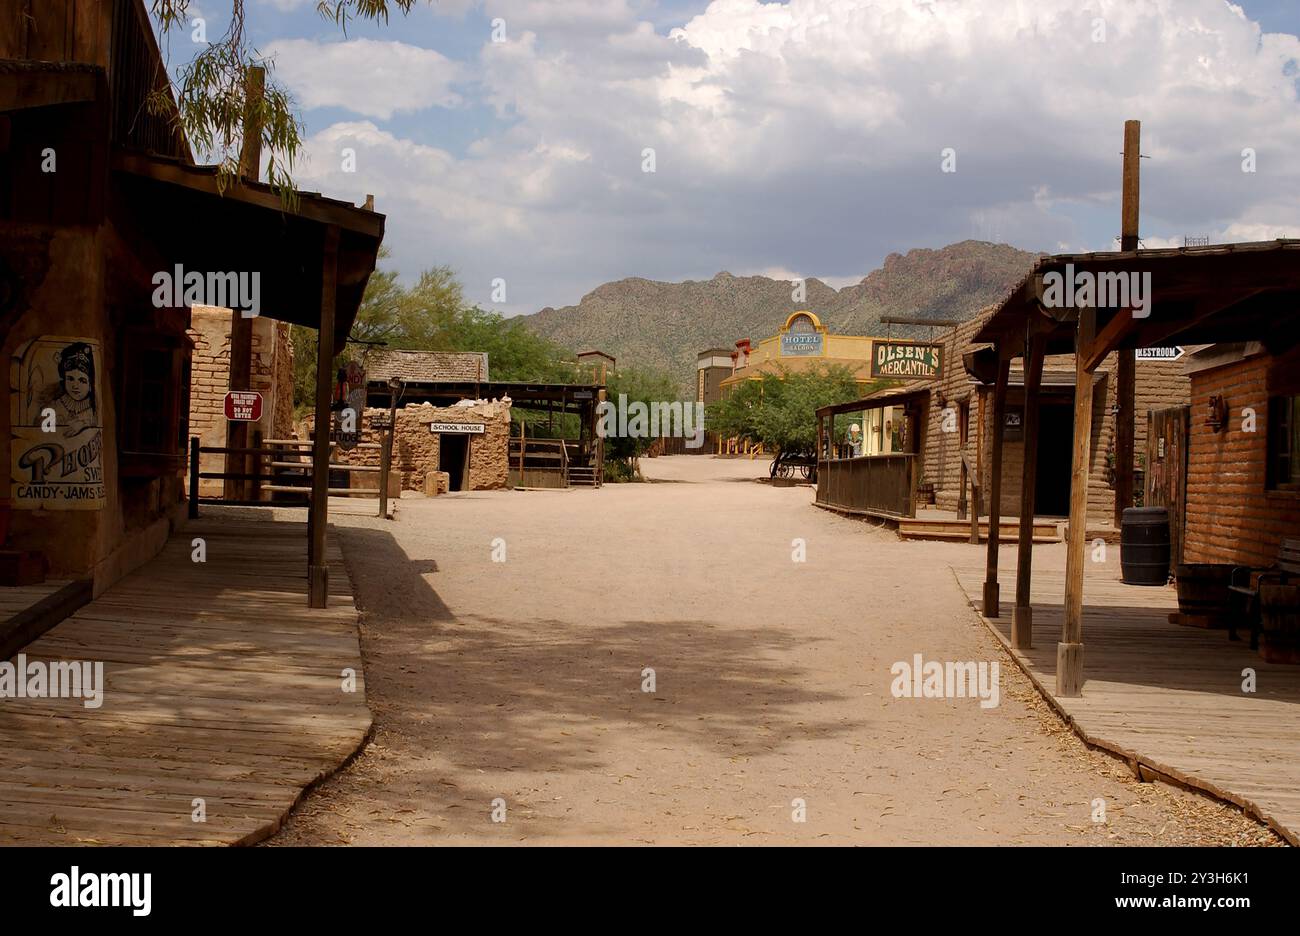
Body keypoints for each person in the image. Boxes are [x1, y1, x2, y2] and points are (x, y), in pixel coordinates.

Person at [50, 342, 97, 435]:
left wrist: (83, 425)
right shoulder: (54, 406)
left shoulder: (95, 411)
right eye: (70, 379)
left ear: (90, 383)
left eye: (82, 380)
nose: (75, 386)